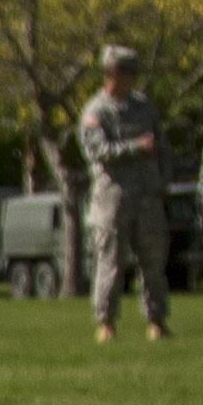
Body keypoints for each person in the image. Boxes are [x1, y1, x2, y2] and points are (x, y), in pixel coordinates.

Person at [75, 42, 172, 341]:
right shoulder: (96, 110)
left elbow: (161, 146)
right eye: (126, 72)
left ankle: (156, 320)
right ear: (111, 74)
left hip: (147, 196)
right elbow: (97, 150)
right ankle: (106, 322)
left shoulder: (143, 107)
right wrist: (135, 147)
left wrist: (164, 180)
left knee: (153, 262)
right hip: (112, 198)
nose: (131, 78)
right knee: (110, 262)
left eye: (133, 72)